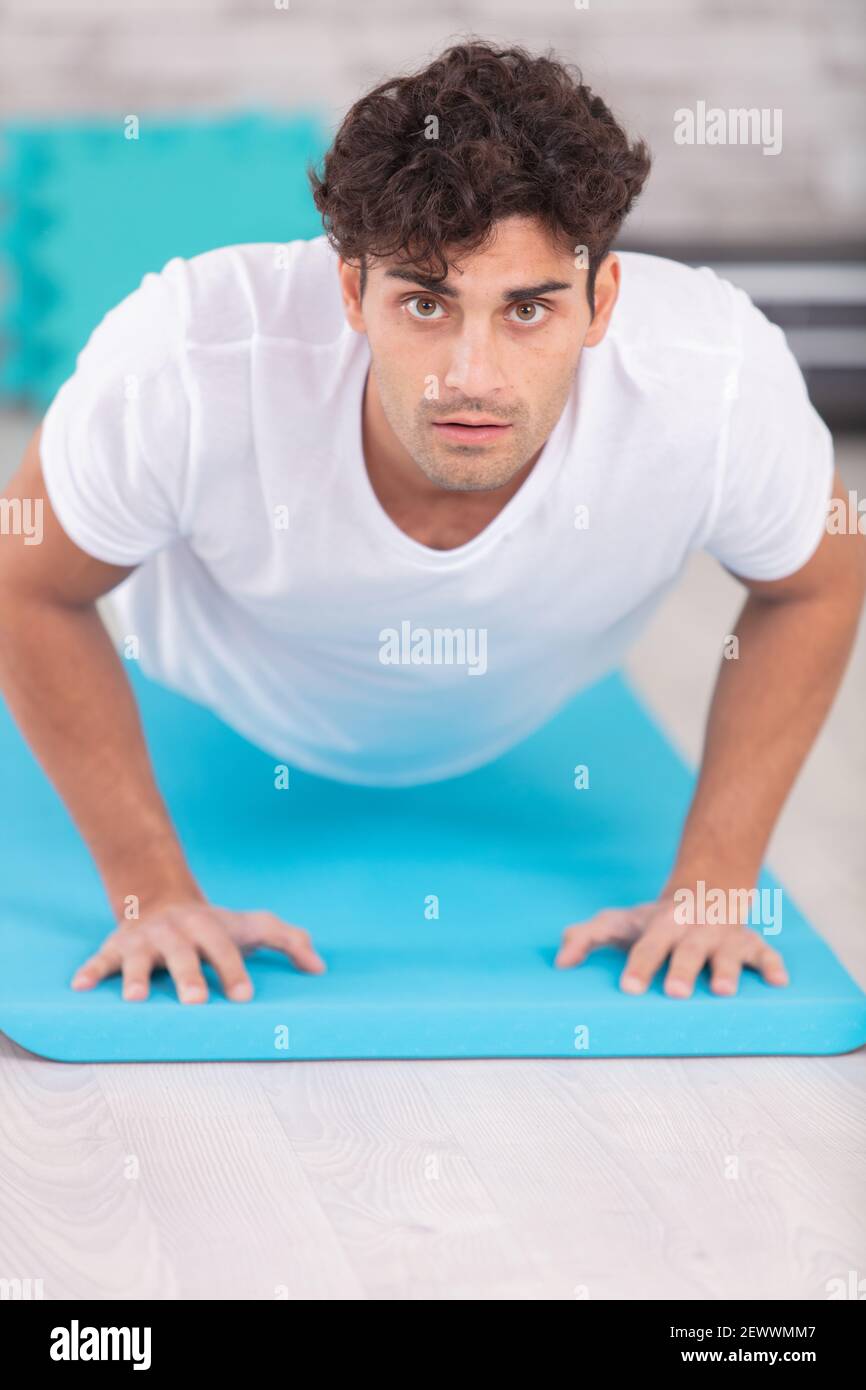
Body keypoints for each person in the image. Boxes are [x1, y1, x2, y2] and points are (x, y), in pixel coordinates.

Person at [0, 41, 862, 1005]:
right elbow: (24, 583)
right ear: (350, 293)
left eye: (529, 309)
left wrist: (715, 884)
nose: (473, 379)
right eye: (424, 302)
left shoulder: (714, 374)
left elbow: (818, 579)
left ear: (602, 301)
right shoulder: (188, 356)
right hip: (215, 693)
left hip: (528, 707)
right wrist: (148, 894)